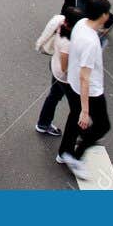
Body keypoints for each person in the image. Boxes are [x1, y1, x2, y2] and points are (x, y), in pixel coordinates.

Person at [56, 0, 113, 182]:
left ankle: (64, 151)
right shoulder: (90, 42)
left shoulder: (80, 24)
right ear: (102, 15)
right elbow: (85, 77)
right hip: (90, 90)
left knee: (74, 115)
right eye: (107, 12)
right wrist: (86, 110)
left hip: (71, 82)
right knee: (102, 126)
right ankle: (76, 155)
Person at [34, 7, 82, 137]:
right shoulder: (68, 42)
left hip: (54, 66)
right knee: (78, 107)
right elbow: (65, 67)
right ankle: (83, 133)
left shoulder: (60, 23)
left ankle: (43, 123)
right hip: (64, 77)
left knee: (54, 96)